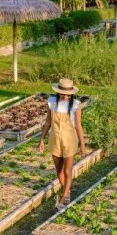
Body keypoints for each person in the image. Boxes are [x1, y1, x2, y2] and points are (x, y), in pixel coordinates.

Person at [38, 78, 87, 209]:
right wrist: (42, 139)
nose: (65, 96)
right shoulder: (52, 102)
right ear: (58, 92)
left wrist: (82, 145)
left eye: (68, 95)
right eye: (63, 94)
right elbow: (48, 122)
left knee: (67, 171)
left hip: (69, 140)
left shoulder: (76, 105)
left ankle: (64, 197)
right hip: (55, 139)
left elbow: (78, 126)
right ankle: (67, 190)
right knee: (59, 171)